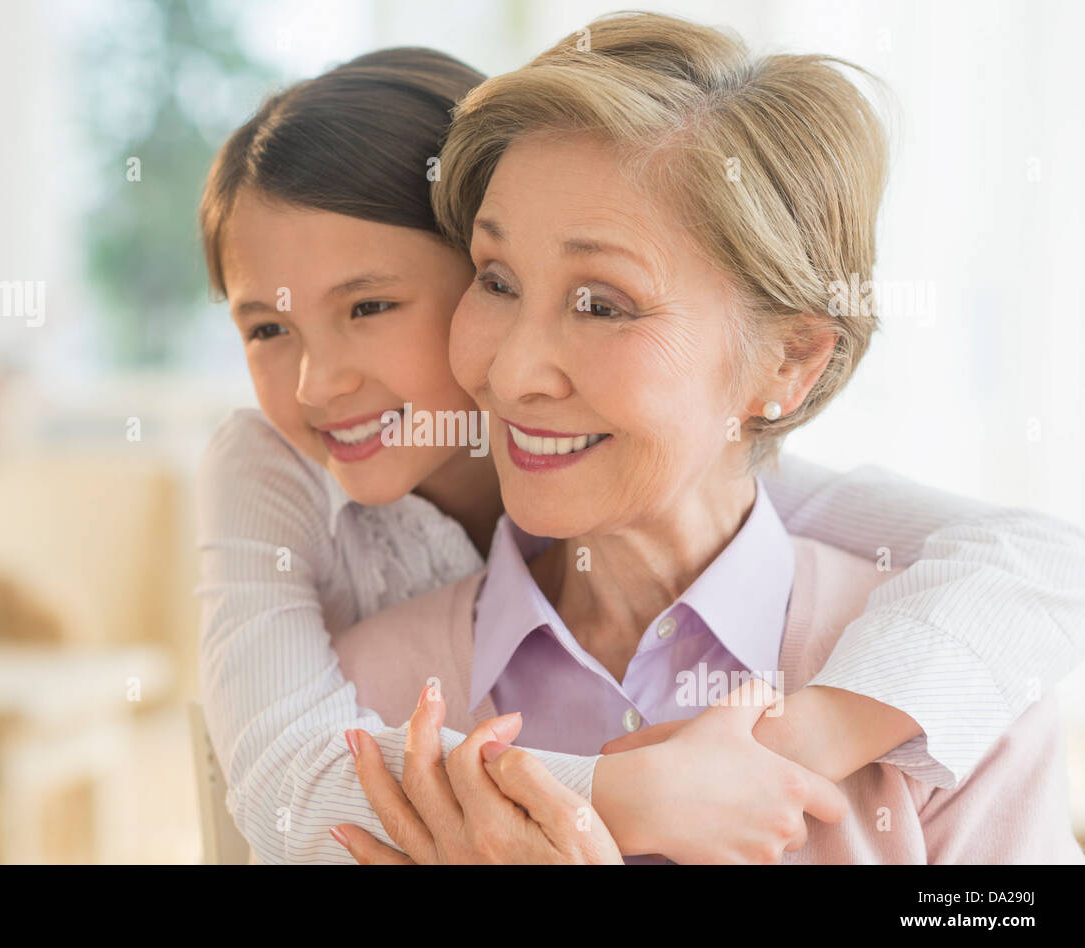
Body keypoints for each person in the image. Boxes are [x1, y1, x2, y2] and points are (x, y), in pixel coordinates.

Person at [196, 37, 1085, 864]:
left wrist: (806, 736)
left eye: (602, 303)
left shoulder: (953, 685)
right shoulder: (373, 703)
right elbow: (282, 772)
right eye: (499, 281)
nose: (511, 370)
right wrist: (599, 800)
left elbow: (1045, 554)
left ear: (789, 359)